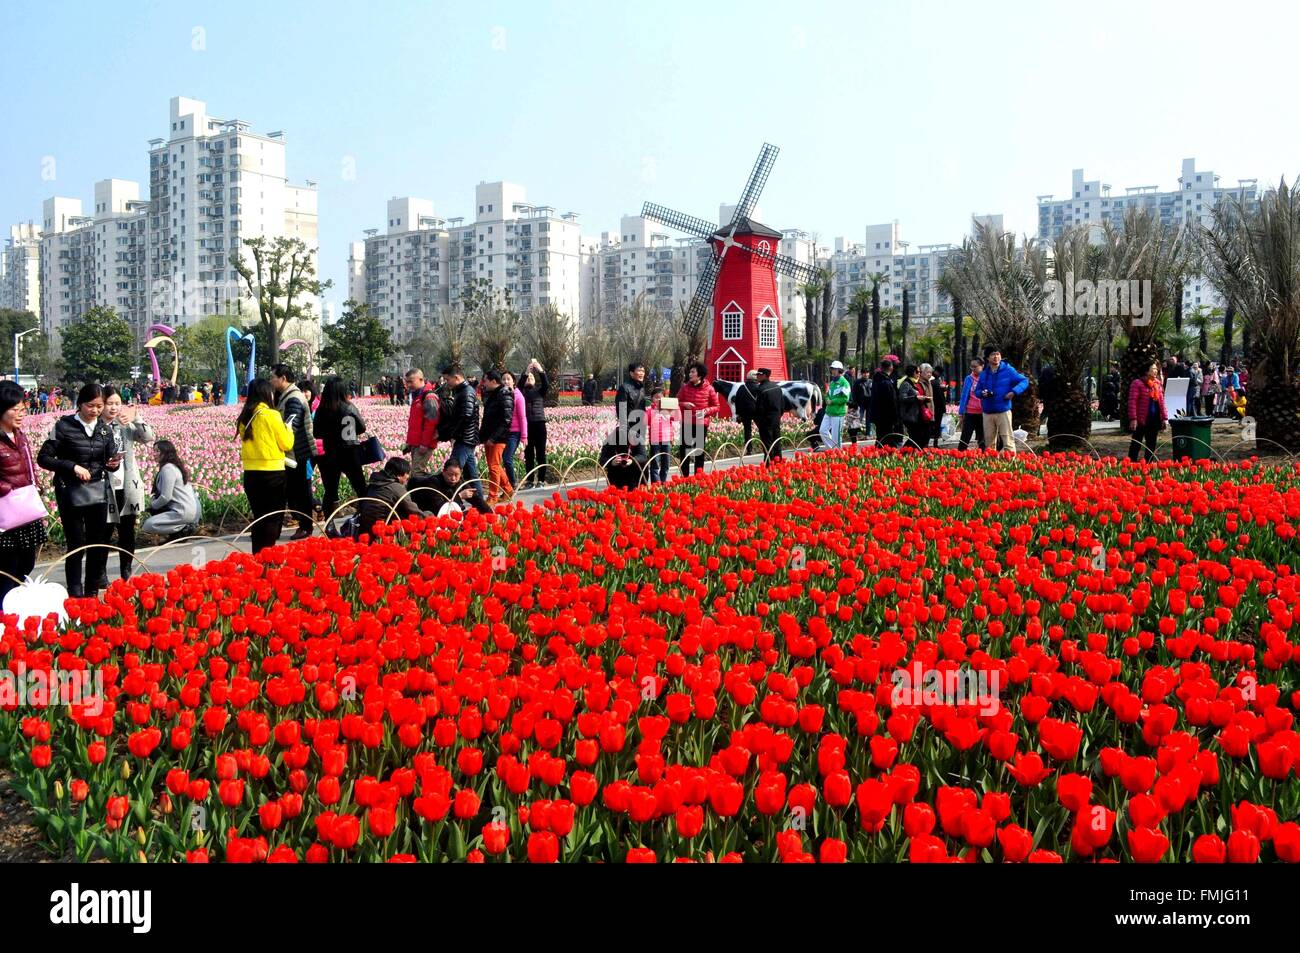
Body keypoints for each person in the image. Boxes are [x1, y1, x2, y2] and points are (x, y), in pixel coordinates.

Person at [37, 383, 120, 598]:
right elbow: (44, 458)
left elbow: (111, 457)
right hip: (70, 492)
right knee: (76, 543)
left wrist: (114, 464)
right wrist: (71, 466)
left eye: (98, 406)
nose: (94, 410)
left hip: (97, 491)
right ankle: (74, 593)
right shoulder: (63, 426)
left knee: (97, 543)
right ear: (80, 404)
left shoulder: (104, 429)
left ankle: (92, 592)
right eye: (90, 405)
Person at [99, 385, 155, 584]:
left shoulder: (126, 425)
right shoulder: (96, 426)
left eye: (117, 403)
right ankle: (101, 573)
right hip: (104, 487)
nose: (113, 408)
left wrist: (136, 418)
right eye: (109, 403)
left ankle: (126, 570)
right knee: (104, 532)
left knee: (127, 532)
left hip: (127, 485)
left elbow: (149, 437)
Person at [0, 381, 49, 607]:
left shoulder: (19, 435)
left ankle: (15, 610)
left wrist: (35, 486)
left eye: (23, 409)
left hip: (25, 509)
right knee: (7, 568)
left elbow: (28, 467)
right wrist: (7, 488)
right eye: (14, 409)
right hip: (6, 512)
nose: (21, 414)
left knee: (27, 564)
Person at [237, 378, 294, 555]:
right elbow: (286, 444)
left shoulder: (245, 416)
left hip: (251, 473)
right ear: (266, 393)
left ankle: (257, 557)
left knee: (259, 518)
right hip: (272, 473)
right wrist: (289, 429)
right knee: (272, 518)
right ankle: (268, 558)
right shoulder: (271, 415)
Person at [313, 377, 370, 524]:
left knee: (330, 491)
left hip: (328, 453)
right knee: (360, 487)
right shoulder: (348, 407)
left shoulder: (321, 410)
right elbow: (362, 427)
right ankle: (366, 517)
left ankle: (329, 524)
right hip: (349, 452)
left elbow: (316, 433)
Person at [270, 364, 314, 541]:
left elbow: (290, 426)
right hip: (291, 452)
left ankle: (306, 526)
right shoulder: (286, 396)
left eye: (273, 377)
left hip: (296, 453)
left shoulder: (293, 398)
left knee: (300, 491)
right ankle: (300, 524)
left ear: (283, 378)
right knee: (293, 491)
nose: (271, 380)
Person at [141, 440, 201, 540]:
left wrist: (152, 505)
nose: (154, 454)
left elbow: (166, 497)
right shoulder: (173, 466)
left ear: (166, 452)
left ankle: (183, 529)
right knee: (156, 512)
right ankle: (177, 534)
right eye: (153, 450)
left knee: (148, 525)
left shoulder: (168, 469)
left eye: (157, 451)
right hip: (189, 509)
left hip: (184, 511)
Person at [976, 346, 1029, 453]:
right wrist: (982, 393)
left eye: (998, 354)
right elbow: (977, 391)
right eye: (993, 354)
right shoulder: (984, 374)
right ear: (987, 358)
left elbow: (1024, 381)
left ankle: (1011, 465)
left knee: (1008, 441)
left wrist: (1014, 392)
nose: (996, 357)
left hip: (1003, 411)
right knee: (989, 443)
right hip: (987, 412)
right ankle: (991, 466)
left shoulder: (1008, 370)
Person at [438, 363, 481, 492]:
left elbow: (465, 417)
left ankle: (450, 499)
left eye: (447, 379)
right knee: (471, 474)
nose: (446, 383)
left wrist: (454, 435)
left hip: (465, 438)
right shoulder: (462, 391)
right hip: (467, 437)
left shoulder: (466, 392)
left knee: (452, 472)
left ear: (456, 377)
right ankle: (481, 503)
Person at [676, 362, 720, 476]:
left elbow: (717, 406)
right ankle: (684, 477)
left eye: (692, 372)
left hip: (701, 421)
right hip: (687, 421)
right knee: (684, 450)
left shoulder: (709, 389)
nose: (690, 374)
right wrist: (684, 404)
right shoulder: (685, 387)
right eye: (690, 372)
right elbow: (676, 402)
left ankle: (698, 477)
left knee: (699, 451)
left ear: (699, 375)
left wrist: (706, 411)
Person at [408, 457, 492, 516]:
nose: (453, 478)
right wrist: (459, 496)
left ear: (461, 473)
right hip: (432, 513)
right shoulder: (433, 483)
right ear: (443, 472)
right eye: (450, 475)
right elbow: (441, 508)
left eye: (456, 475)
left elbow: (476, 499)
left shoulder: (460, 481)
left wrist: (490, 514)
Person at [479, 370, 514, 504]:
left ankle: (492, 496)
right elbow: (487, 418)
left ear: (494, 381)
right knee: (494, 465)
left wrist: (493, 438)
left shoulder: (504, 394)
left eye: (486, 381)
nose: (484, 383)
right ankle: (508, 490)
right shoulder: (492, 394)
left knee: (493, 466)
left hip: (498, 437)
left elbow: (506, 420)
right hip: (490, 435)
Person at [402, 368, 441, 476]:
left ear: (421, 379)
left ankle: (423, 492)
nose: (408, 385)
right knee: (416, 472)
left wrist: (425, 444)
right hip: (416, 442)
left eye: (411, 381)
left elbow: (431, 423)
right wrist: (410, 442)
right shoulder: (417, 395)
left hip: (423, 443)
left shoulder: (429, 397)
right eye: (407, 382)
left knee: (417, 473)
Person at [517, 359, 550, 487]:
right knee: (529, 454)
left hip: (540, 425)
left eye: (531, 377)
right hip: (527, 426)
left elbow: (546, 384)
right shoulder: (521, 393)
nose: (529, 378)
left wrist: (540, 370)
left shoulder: (540, 392)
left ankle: (541, 480)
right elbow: (518, 386)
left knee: (541, 453)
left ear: (535, 380)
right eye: (527, 377)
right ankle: (530, 480)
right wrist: (527, 372)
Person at [1126, 361, 1166, 463]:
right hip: (1141, 419)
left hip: (1154, 419)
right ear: (1146, 371)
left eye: (1156, 369)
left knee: (1151, 444)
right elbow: (1132, 402)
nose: (1155, 371)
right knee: (1136, 443)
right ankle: (1131, 465)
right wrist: (1133, 419)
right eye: (1153, 369)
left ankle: (1148, 466)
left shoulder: (1157, 383)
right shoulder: (1137, 383)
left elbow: (1162, 402)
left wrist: (1164, 417)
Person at [615, 363, 650, 479]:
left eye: (643, 371)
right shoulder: (624, 388)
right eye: (639, 371)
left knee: (640, 457)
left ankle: (640, 485)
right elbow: (622, 411)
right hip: (628, 429)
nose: (641, 373)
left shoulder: (641, 388)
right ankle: (625, 487)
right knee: (627, 458)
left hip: (640, 428)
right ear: (631, 373)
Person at [754, 368, 787, 466]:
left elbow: (759, 408)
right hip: (776, 419)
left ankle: (769, 464)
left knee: (767, 443)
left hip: (765, 420)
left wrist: (759, 421)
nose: (757, 376)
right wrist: (778, 416)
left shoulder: (761, 389)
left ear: (764, 375)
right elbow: (782, 405)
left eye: (759, 375)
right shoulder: (777, 387)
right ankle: (779, 463)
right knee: (777, 441)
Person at [501, 370, 526, 492]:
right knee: (501, 458)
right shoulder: (501, 394)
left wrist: (524, 436)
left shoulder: (518, 396)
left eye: (508, 379)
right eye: (504, 379)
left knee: (507, 458)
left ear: (513, 381)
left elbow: (522, 417)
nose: (506, 381)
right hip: (503, 432)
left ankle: (513, 483)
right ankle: (506, 483)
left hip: (514, 433)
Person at [869, 358, 901, 448]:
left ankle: (879, 450)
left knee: (881, 435)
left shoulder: (876, 380)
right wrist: (895, 415)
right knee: (886, 436)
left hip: (877, 414)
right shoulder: (886, 382)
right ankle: (882, 452)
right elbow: (891, 401)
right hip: (886, 415)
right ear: (890, 368)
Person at [819, 360, 851, 451]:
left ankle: (837, 454)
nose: (832, 371)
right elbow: (828, 394)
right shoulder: (832, 383)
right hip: (828, 411)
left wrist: (832, 401)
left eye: (833, 369)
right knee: (822, 431)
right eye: (831, 369)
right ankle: (833, 450)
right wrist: (827, 399)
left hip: (838, 413)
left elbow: (845, 398)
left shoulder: (845, 383)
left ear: (839, 370)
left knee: (836, 437)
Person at [646, 385, 675, 483]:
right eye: (656, 397)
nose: (658, 400)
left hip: (667, 439)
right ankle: (656, 485)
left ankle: (662, 483)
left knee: (666, 463)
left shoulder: (668, 410)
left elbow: (675, 417)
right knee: (655, 463)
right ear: (652, 399)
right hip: (655, 440)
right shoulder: (649, 411)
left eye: (661, 398)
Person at [897, 364, 930, 449]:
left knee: (918, 435)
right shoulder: (906, 383)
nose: (919, 374)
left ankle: (912, 452)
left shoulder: (914, 382)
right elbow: (902, 398)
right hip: (909, 415)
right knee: (915, 436)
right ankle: (904, 451)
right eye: (918, 372)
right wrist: (916, 398)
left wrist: (924, 399)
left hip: (915, 414)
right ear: (913, 373)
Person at [957, 358, 986, 451]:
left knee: (982, 438)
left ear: (982, 366)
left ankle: (984, 457)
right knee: (965, 436)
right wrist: (961, 413)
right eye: (971, 367)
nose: (972, 369)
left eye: (975, 366)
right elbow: (964, 396)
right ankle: (960, 456)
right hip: (970, 413)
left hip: (983, 413)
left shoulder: (986, 378)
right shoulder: (968, 379)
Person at [848, 367, 872, 445]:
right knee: (858, 418)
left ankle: (868, 434)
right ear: (861, 374)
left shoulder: (871, 382)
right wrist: (854, 402)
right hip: (860, 403)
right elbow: (854, 392)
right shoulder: (857, 382)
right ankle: (857, 434)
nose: (866, 374)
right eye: (864, 373)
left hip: (869, 403)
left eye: (867, 372)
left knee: (869, 419)